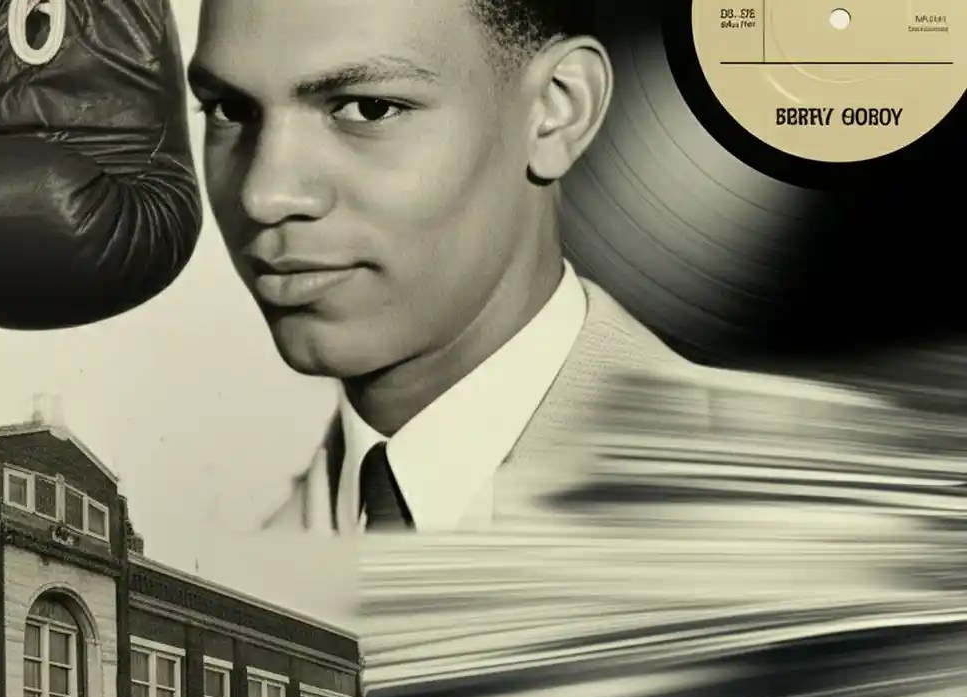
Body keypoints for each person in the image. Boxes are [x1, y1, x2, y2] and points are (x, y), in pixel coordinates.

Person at [187, 0, 872, 534]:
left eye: (368, 108)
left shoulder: (803, 528)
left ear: (558, 111)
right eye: (229, 110)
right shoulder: (240, 533)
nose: (264, 194)